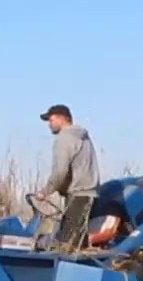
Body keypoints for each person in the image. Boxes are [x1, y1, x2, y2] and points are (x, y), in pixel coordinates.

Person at [38, 104, 100, 249]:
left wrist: (45, 191)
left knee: (67, 246)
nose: (49, 124)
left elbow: (60, 171)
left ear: (61, 118)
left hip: (78, 195)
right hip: (90, 194)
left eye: (51, 120)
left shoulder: (64, 138)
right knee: (79, 243)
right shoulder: (83, 137)